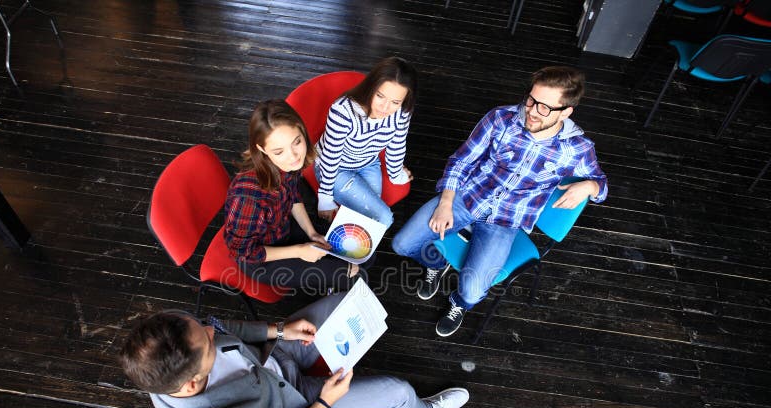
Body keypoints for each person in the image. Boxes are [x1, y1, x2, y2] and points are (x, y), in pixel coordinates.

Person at [119, 293, 470, 408]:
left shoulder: (179, 334)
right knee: (397, 390)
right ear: (192, 382)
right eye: (208, 341)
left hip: (277, 355)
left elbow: (222, 327)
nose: (212, 330)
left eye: (200, 325)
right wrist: (324, 404)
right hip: (298, 406)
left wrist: (278, 330)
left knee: (345, 302)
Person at [392, 66, 608, 337]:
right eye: (531, 99)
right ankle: (436, 264)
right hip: (466, 198)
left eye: (544, 108)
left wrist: (590, 185)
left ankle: (457, 304)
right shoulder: (500, 118)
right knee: (402, 244)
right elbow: (461, 160)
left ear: (566, 112)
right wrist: (446, 202)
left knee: (471, 290)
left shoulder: (578, 149)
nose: (531, 110)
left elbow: (602, 184)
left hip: (505, 221)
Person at [224, 99, 358, 294]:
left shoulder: (287, 165)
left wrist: (311, 233)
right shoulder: (247, 198)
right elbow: (243, 252)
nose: (293, 156)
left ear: (302, 132)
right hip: (261, 260)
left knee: (356, 254)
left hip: (282, 230)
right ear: (262, 150)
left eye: (297, 142)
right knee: (350, 273)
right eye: (279, 151)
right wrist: (300, 251)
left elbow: (293, 195)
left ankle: (332, 281)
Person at [314, 56, 417, 228]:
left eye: (395, 102)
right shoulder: (343, 111)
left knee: (369, 218)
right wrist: (324, 197)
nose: (385, 108)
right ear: (372, 87)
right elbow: (331, 156)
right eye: (380, 96)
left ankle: (347, 248)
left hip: (368, 163)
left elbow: (397, 145)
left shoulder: (402, 112)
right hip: (335, 167)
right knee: (383, 218)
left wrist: (396, 173)